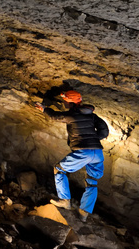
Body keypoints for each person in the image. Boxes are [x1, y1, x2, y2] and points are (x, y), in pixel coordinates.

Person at [33, 90, 109, 222]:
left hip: (83, 151)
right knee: (92, 181)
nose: (64, 104)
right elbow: (104, 130)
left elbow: (56, 116)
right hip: (97, 152)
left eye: (65, 102)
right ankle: (84, 213)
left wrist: (44, 109)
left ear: (71, 103)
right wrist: (93, 139)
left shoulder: (72, 115)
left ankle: (64, 201)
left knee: (59, 169)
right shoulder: (92, 116)